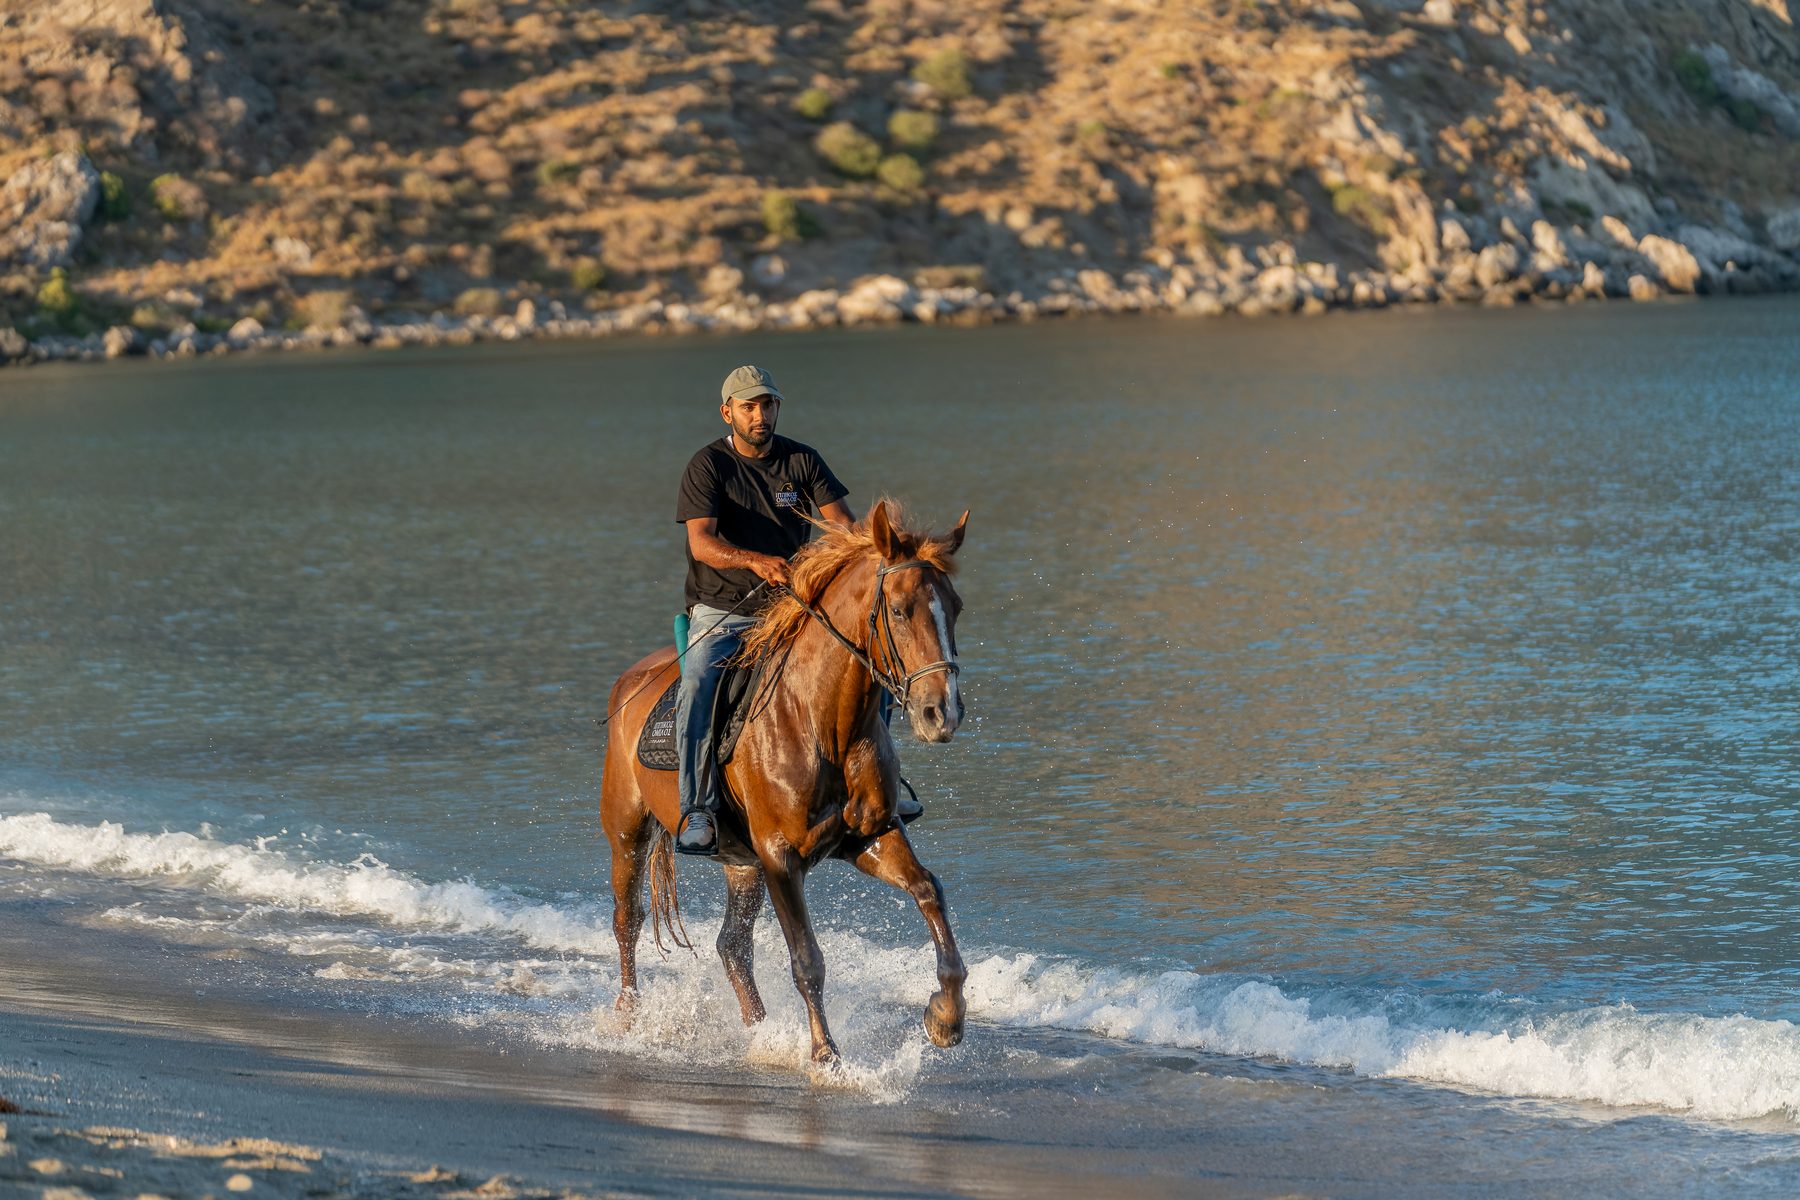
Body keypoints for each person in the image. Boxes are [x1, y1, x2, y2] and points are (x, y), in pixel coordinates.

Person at [672, 364, 917, 855]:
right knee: (698, 679)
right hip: (725, 611)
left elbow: (845, 530)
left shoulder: (802, 460)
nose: (760, 415)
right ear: (728, 412)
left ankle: (882, 779)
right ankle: (696, 806)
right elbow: (701, 543)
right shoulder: (708, 466)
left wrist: (891, 551)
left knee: (873, 663)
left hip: (792, 610)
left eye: (768, 405)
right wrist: (755, 561)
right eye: (749, 407)